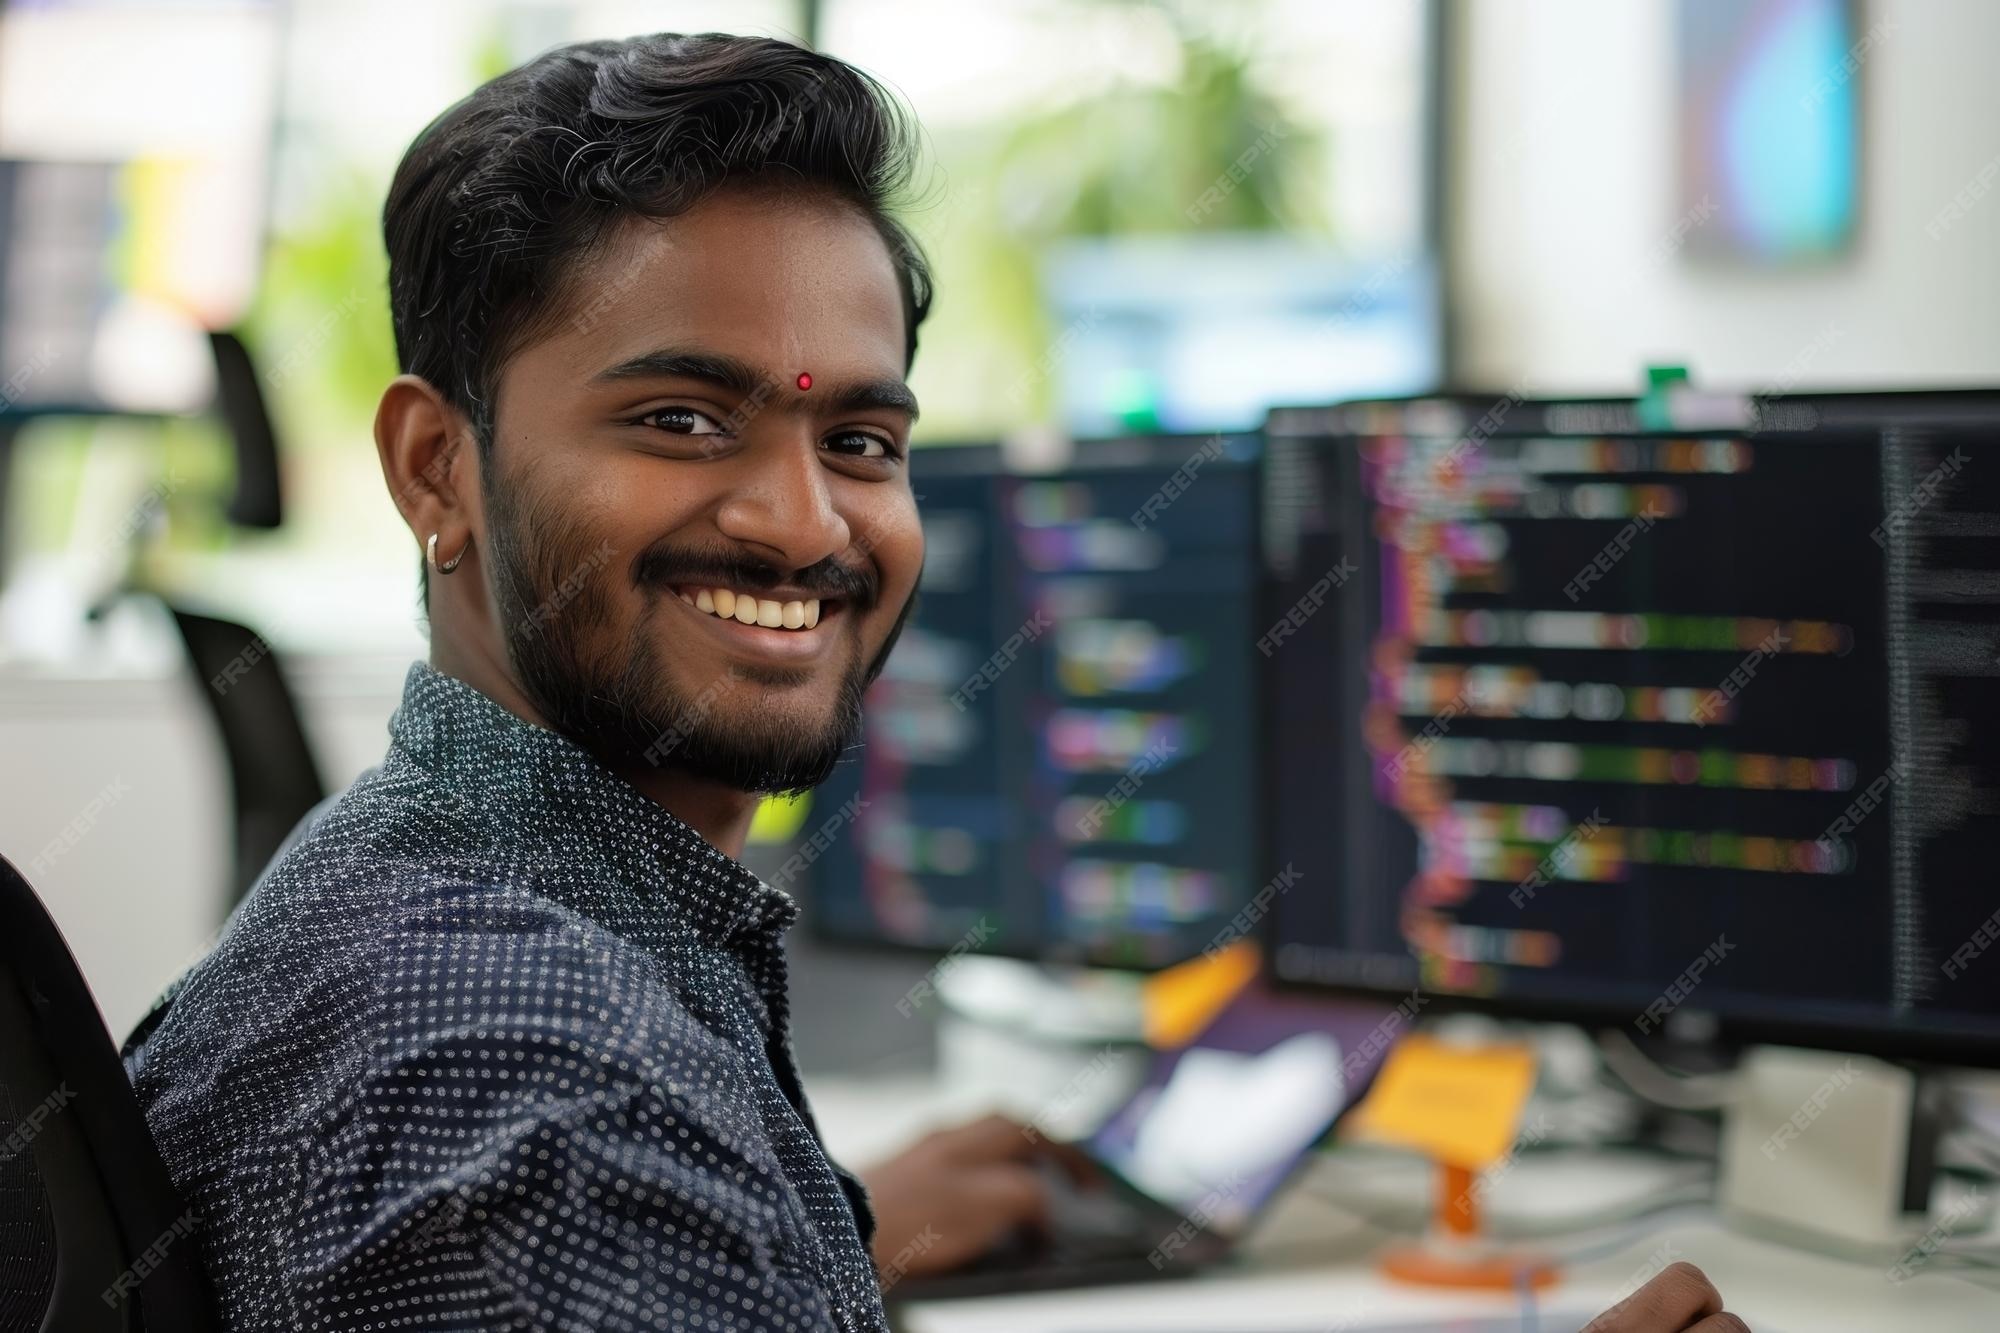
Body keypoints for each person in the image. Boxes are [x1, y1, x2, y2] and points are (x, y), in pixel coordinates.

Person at [122, 32, 1747, 1333]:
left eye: (861, 441)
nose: (803, 520)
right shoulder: (550, 1083)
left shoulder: (456, 900)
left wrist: (807, 1225)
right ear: (435, 468)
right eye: (683, 417)